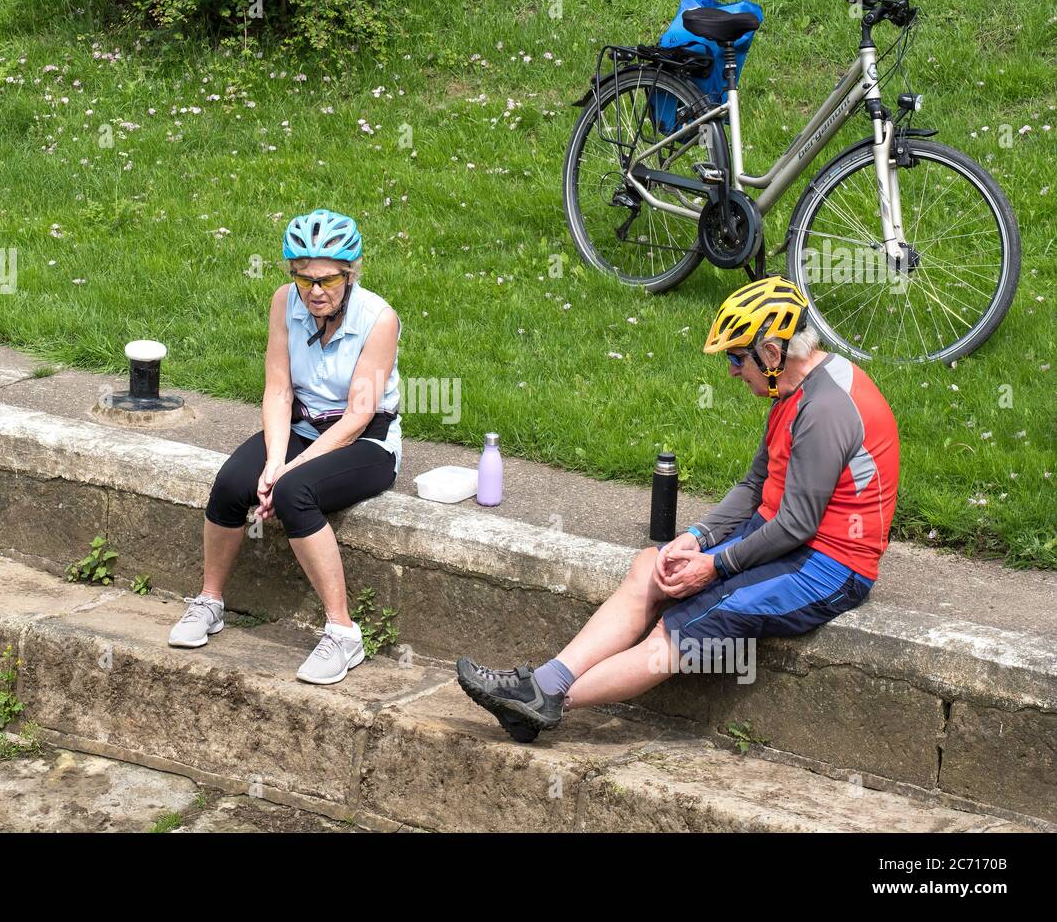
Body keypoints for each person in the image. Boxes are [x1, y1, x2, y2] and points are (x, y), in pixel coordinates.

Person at [456, 277, 900, 741]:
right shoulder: (792, 389)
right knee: (653, 566)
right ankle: (537, 692)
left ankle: (545, 700)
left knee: (679, 632)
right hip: (783, 534)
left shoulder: (824, 412)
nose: (731, 371)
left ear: (771, 354)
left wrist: (714, 566)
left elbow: (797, 524)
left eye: (736, 357)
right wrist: (697, 538)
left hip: (828, 565)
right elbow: (754, 488)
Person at [168, 209, 402, 685]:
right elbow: (278, 390)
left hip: (366, 440)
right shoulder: (284, 303)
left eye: (329, 279)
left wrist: (288, 472)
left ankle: (343, 633)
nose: (315, 291)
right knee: (234, 481)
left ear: (351, 273)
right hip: (302, 426)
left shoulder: (380, 319)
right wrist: (273, 461)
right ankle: (211, 601)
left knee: (295, 492)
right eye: (304, 279)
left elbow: (358, 417)